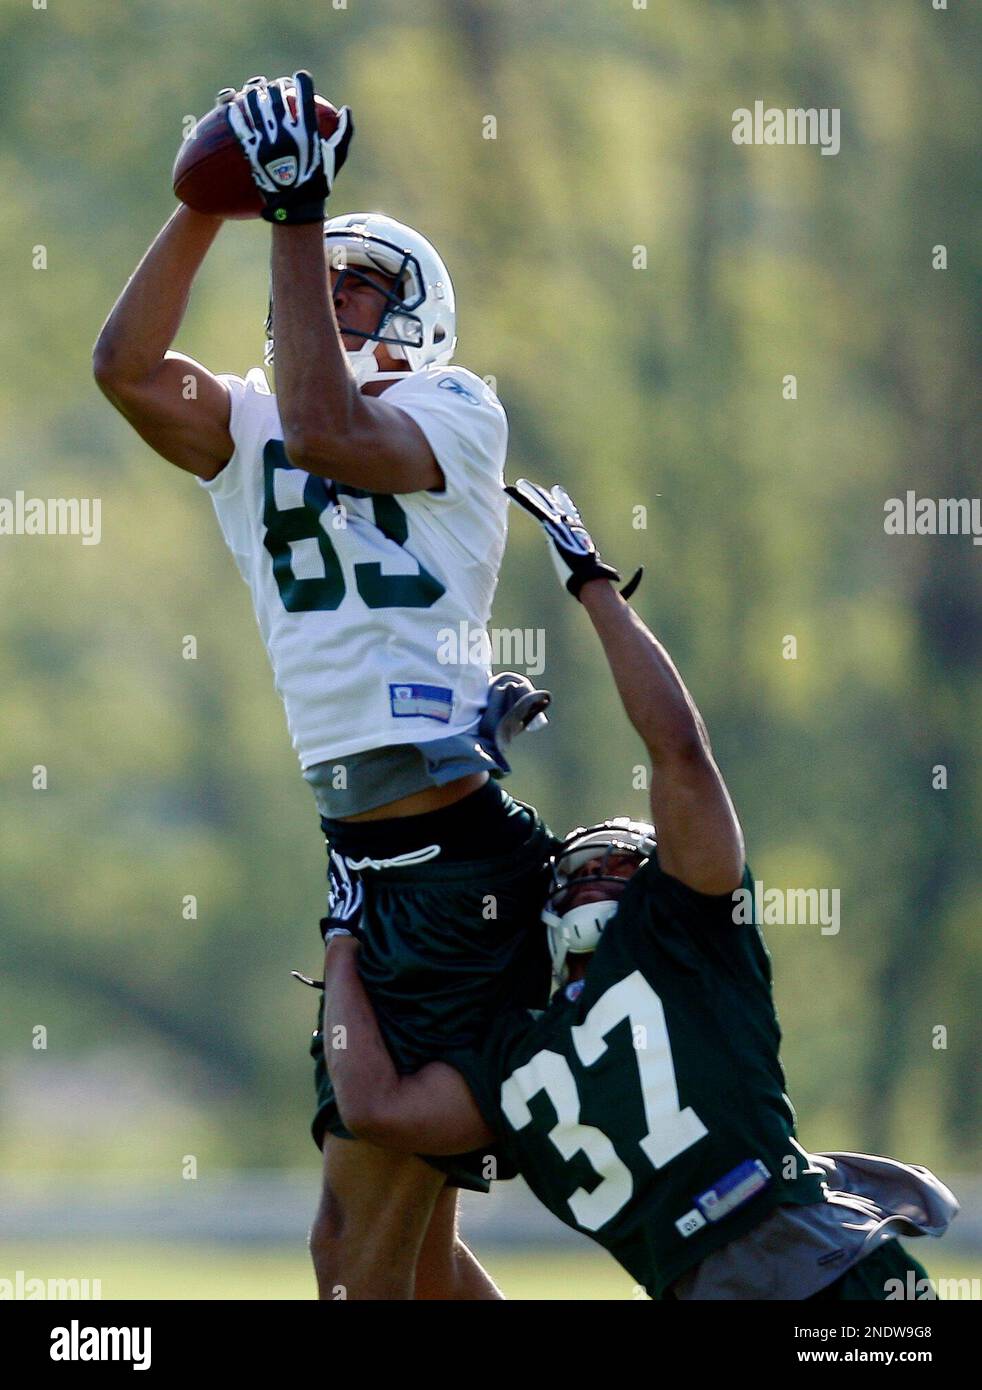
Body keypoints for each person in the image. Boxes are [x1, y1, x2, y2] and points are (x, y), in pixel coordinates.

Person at [91, 71, 607, 1300]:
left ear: (419, 310)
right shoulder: (253, 418)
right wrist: (210, 201)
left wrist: (295, 211)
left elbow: (329, 431)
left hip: (450, 870)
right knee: (406, 1263)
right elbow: (123, 368)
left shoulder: (454, 406)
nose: (322, 297)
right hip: (368, 862)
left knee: (351, 1261)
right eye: (313, 282)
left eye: (354, 284)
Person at [320, 480, 958, 1300]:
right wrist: (594, 585)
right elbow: (375, 1110)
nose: (593, 870)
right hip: (803, 1267)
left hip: (769, 1269)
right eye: (583, 867)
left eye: (616, 862)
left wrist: (344, 936)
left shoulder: (571, 1026)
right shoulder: (619, 992)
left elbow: (376, 1105)